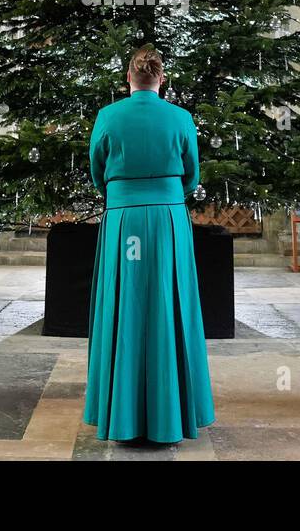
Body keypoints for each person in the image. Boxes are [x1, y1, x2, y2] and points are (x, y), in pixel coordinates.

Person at [83, 45, 215, 443]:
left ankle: (121, 414)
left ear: (128, 78)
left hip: (124, 219)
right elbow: (191, 175)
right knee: (167, 303)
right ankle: (169, 413)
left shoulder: (109, 116)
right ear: (161, 79)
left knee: (124, 306)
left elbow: (97, 170)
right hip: (168, 219)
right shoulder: (181, 117)